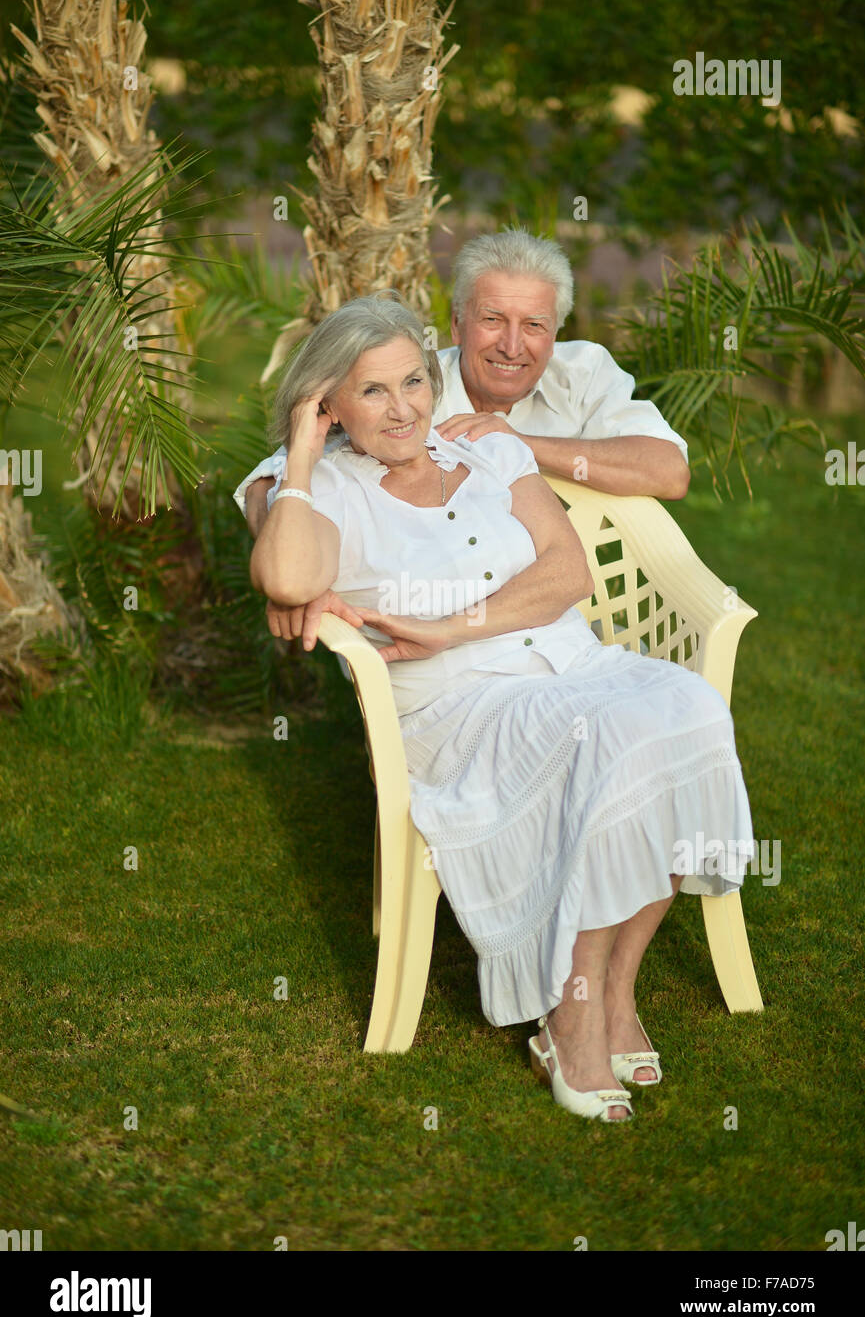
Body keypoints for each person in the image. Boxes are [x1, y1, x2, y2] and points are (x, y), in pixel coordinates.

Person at [246, 291, 754, 1124]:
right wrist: (299, 458)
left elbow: (566, 573)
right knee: (621, 740)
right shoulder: (326, 488)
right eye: (370, 392)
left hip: (566, 663)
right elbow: (293, 580)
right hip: (461, 709)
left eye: (414, 381)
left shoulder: (484, 453)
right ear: (327, 403)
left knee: (688, 709)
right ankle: (573, 1018)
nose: (403, 407)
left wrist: (450, 625)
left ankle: (609, 990)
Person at [234, 228, 690, 652]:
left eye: (534, 325)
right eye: (492, 319)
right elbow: (267, 483)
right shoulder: (409, 387)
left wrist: (519, 443)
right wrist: (302, 583)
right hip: (446, 636)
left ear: (555, 335)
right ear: (456, 325)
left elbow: (669, 472)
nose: (512, 346)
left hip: (562, 616)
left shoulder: (585, 373)